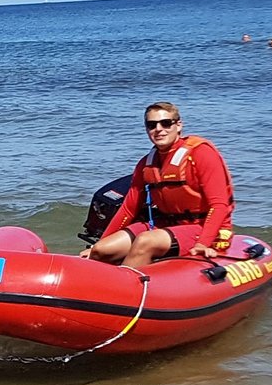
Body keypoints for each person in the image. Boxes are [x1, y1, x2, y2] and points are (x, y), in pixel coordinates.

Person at [82, 102, 233, 268]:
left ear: (179, 125)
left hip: (201, 227)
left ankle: (121, 288)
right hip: (166, 225)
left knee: (145, 241)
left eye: (166, 123)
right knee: (102, 250)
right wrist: (97, 244)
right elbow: (129, 208)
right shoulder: (146, 164)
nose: (159, 129)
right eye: (151, 125)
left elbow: (219, 205)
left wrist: (203, 243)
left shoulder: (201, 154)